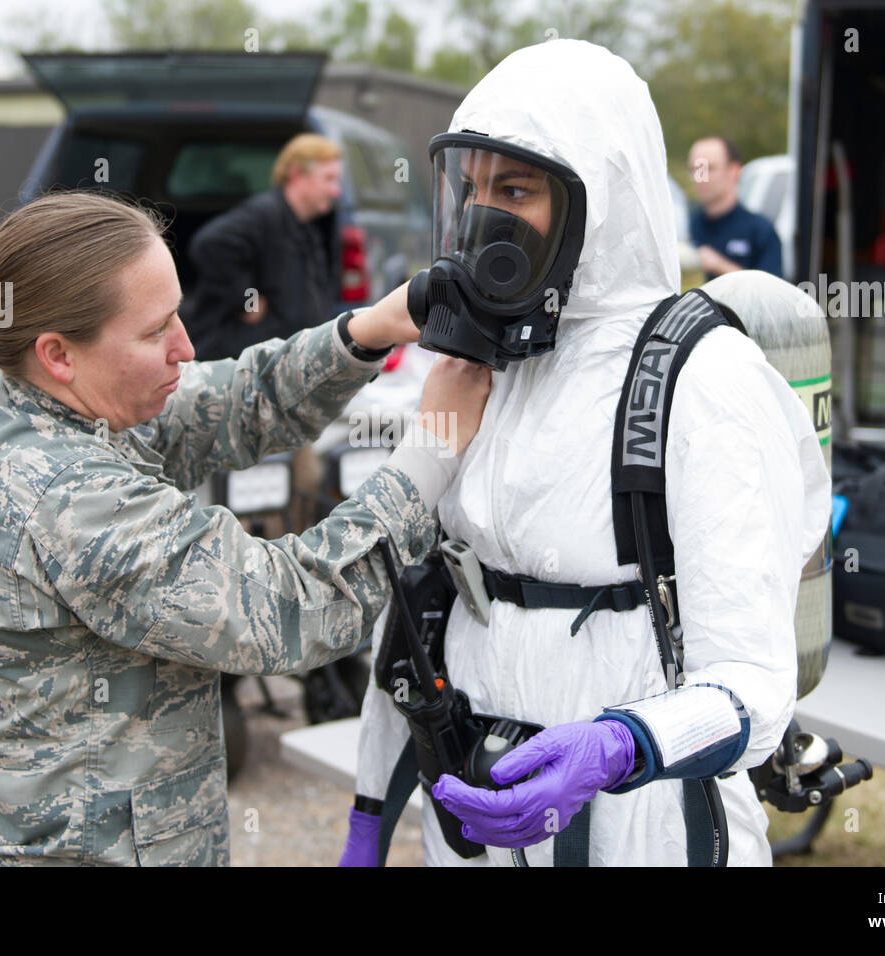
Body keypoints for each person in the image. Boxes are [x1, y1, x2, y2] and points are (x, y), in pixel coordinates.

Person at [340, 40, 829, 866]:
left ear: (600, 198)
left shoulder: (702, 380)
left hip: (646, 828)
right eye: (472, 189)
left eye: (517, 189)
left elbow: (752, 683)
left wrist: (622, 744)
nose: (484, 217)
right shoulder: (478, 366)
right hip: (473, 808)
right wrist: (367, 817)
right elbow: (421, 611)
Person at [0, 190, 491, 866]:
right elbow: (286, 609)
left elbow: (235, 402)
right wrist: (434, 448)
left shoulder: (51, 408)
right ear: (59, 354)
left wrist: (369, 329)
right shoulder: (67, 494)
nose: (184, 346)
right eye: (154, 330)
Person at [186, 133, 342, 361]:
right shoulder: (263, 215)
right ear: (296, 173)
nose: (335, 190)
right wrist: (247, 300)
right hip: (239, 368)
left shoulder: (304, 227)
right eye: (328, 179)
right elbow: (211, 244)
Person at [687, 135, 784, 280]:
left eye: (709, 168)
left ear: (734, 170)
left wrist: (719, 266)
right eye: (695, 169)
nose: (700, 177)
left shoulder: (761, 231)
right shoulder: (686, 227)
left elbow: (772, 294)